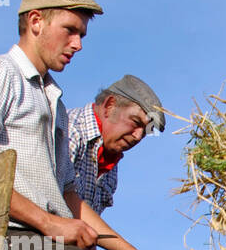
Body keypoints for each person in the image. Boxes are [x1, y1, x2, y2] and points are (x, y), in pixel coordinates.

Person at [0, 0, 173, 250]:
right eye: (70, 30)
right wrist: (49, 223)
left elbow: (69, 197)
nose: (78, 44)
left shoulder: (56, 105)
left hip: (37, 246)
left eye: (81, 35)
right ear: (36, 22)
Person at [68, 75, 165, 218]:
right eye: (136, 122)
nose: (138, 136)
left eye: (145, 132)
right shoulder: (69, 130)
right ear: (110, 106)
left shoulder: (111, 168)